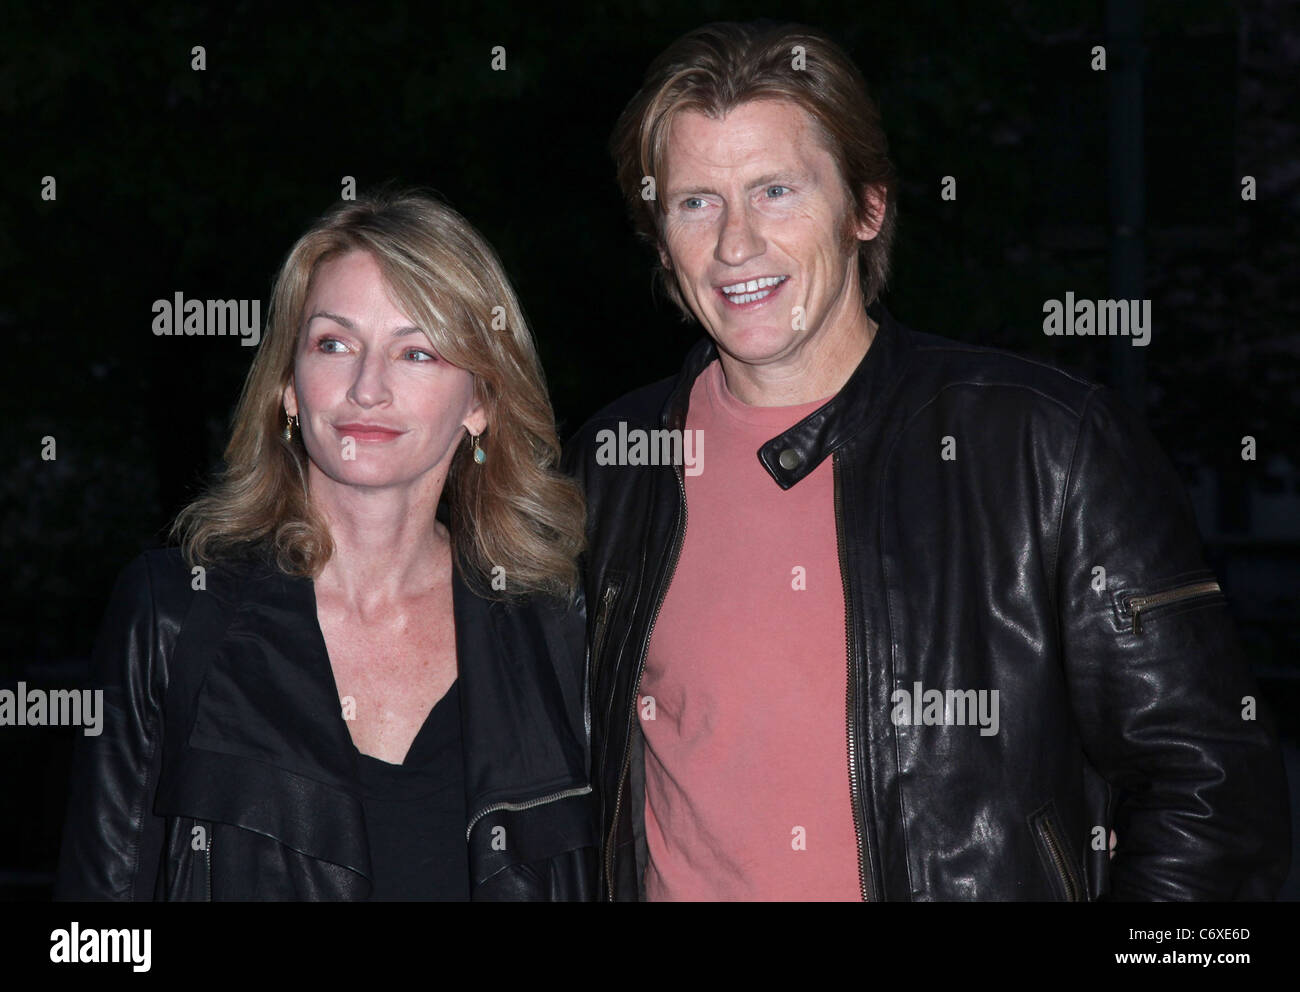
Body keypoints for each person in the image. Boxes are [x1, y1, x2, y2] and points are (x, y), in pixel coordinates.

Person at [564, 20, 1291, 900]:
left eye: (776, 191)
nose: (735, 244)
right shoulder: (612, 469)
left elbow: (1209, 790)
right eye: (696, 202)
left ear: (867, 207)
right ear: (659, 236)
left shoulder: (1043, 445)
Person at [56, 189, 596, 900]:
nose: (367, 388)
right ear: (287, 384)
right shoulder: (175, 614)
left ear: (481, 403)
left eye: (418, 352)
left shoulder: (555, 631)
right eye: (334, 344)